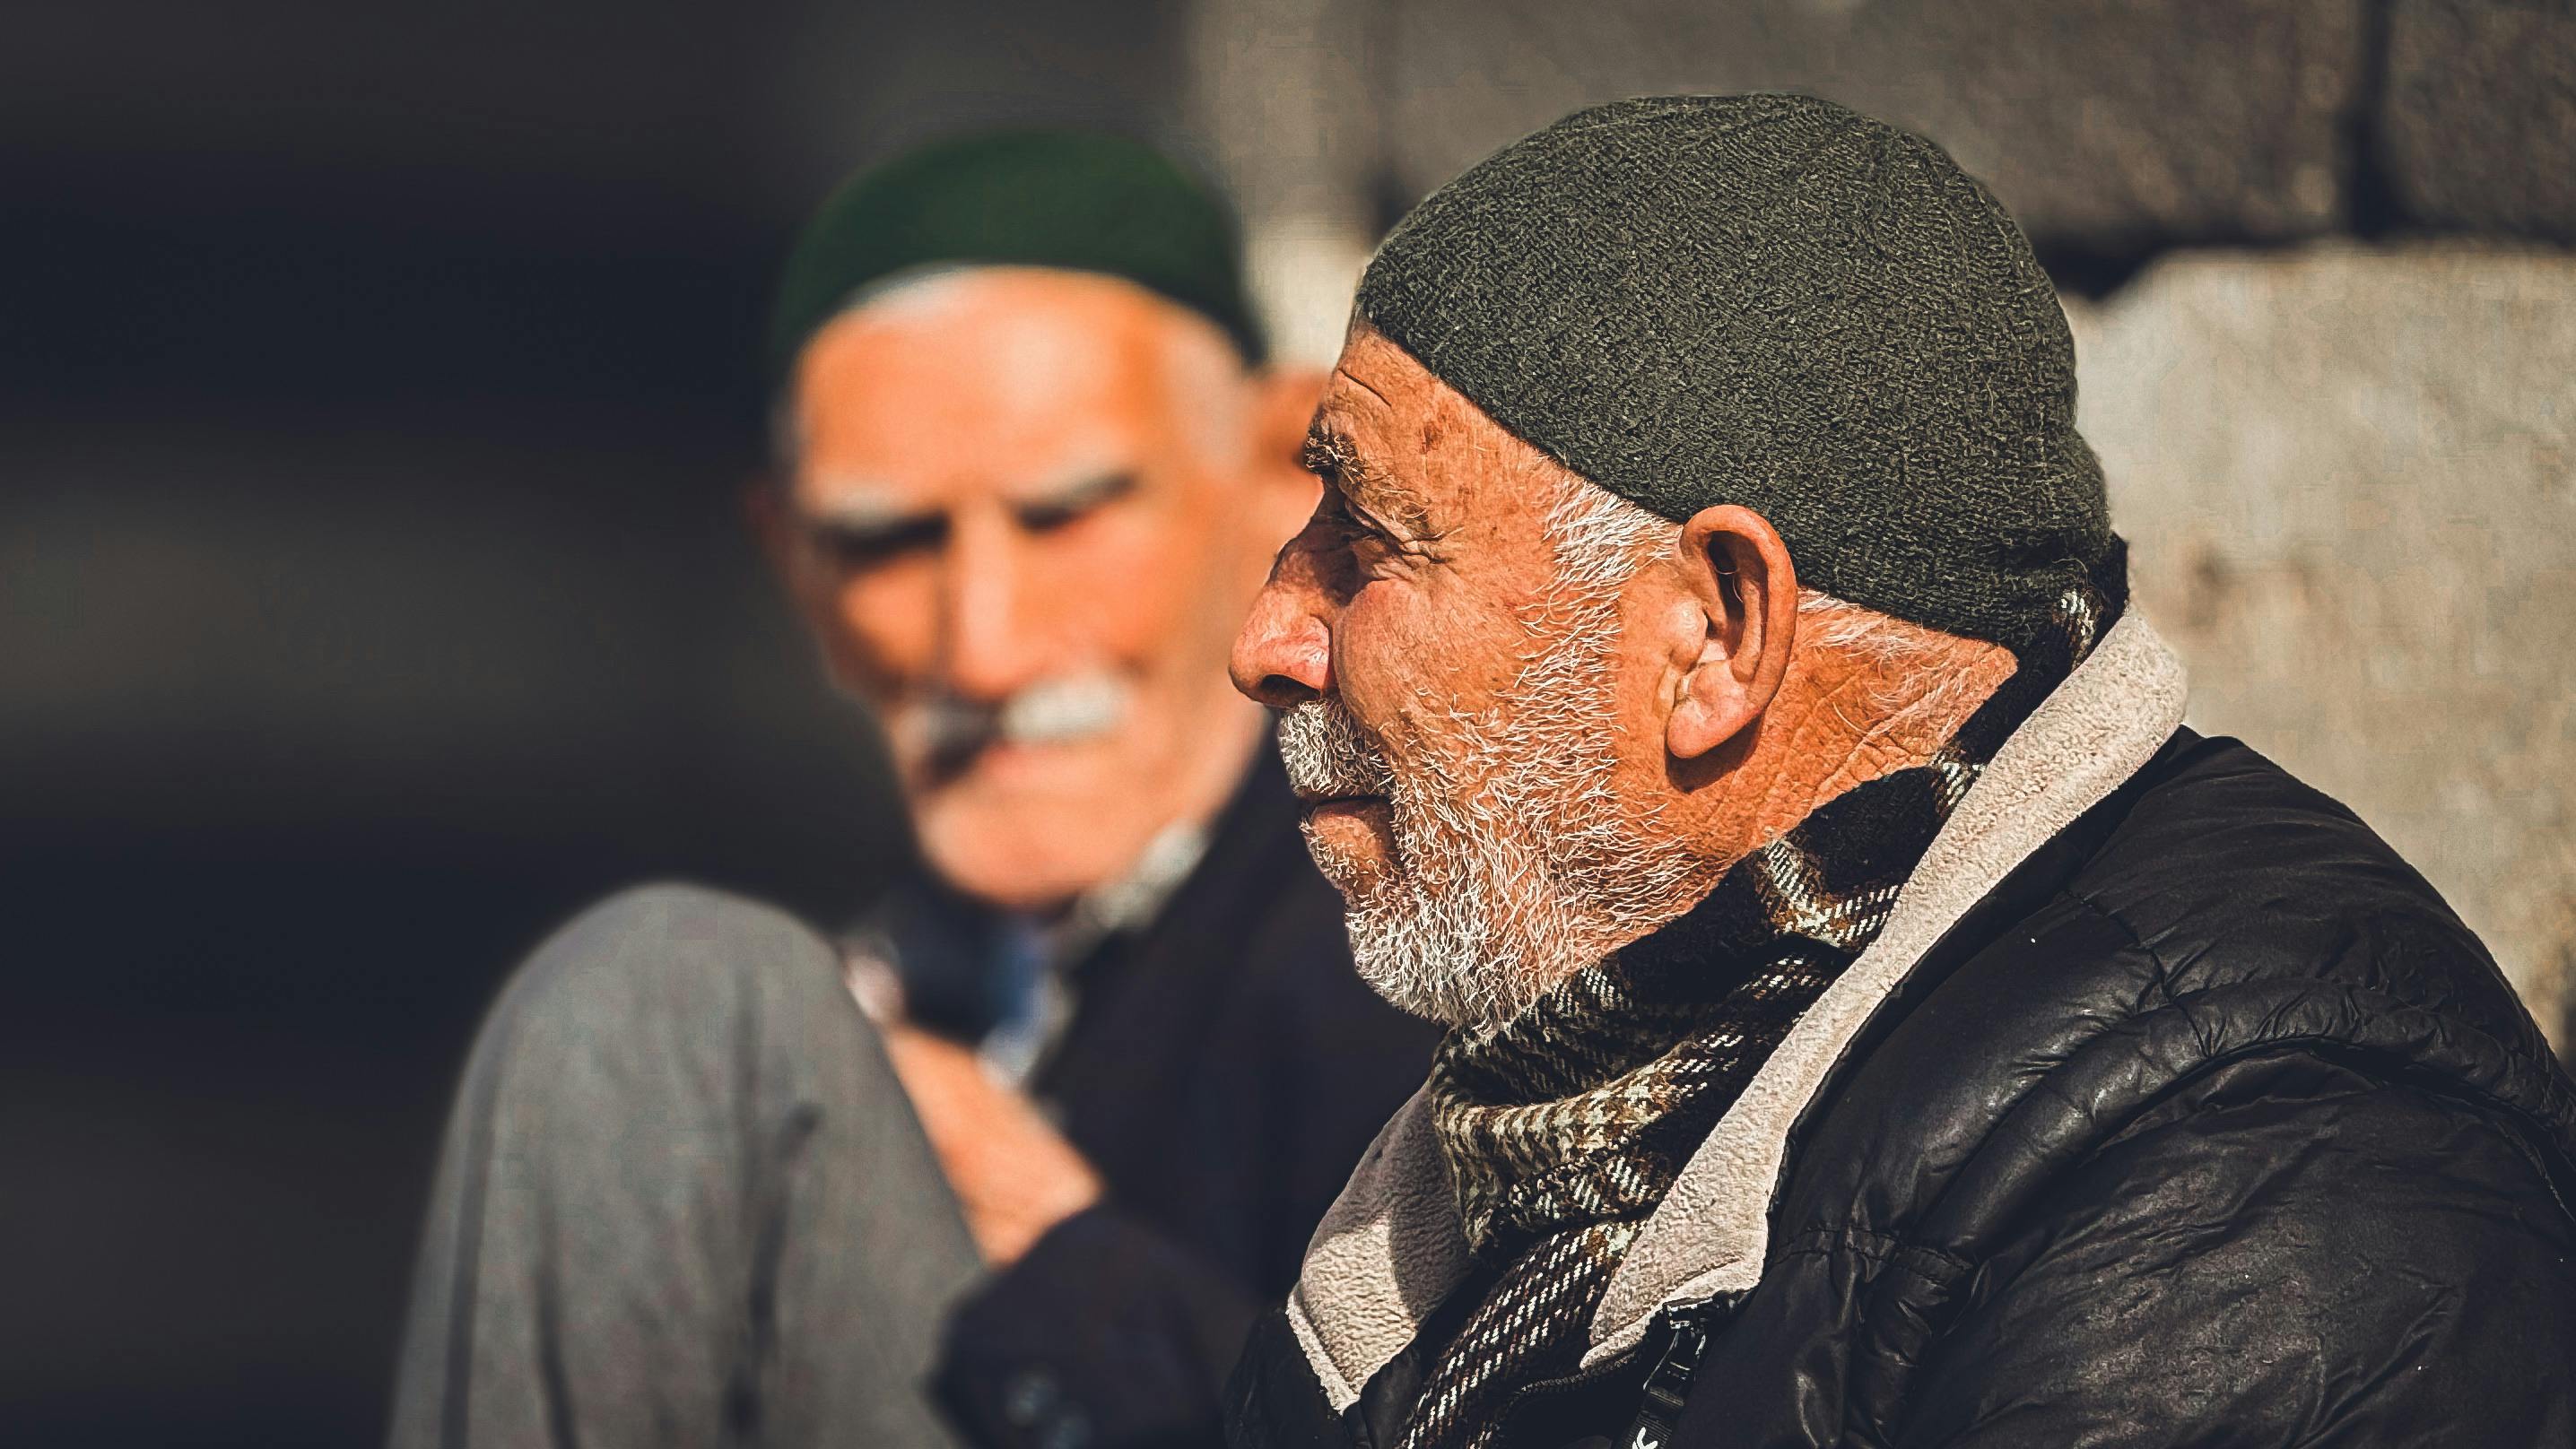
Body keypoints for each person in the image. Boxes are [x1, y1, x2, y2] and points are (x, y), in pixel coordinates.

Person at [1223, 94, 2576, 1449]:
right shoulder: (1576, 1097)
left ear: (1716, 636)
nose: (1268, 637)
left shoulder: (2260, 1182)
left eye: (1368, 538)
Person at [387, 131, 1440, 1449]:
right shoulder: (904, 972)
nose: (981, 646)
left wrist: (1047, 1243)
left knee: (667, 999)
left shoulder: (1406, 933)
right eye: (888, 543)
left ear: (1284, 475)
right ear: (799, 575)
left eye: (1067, 514)